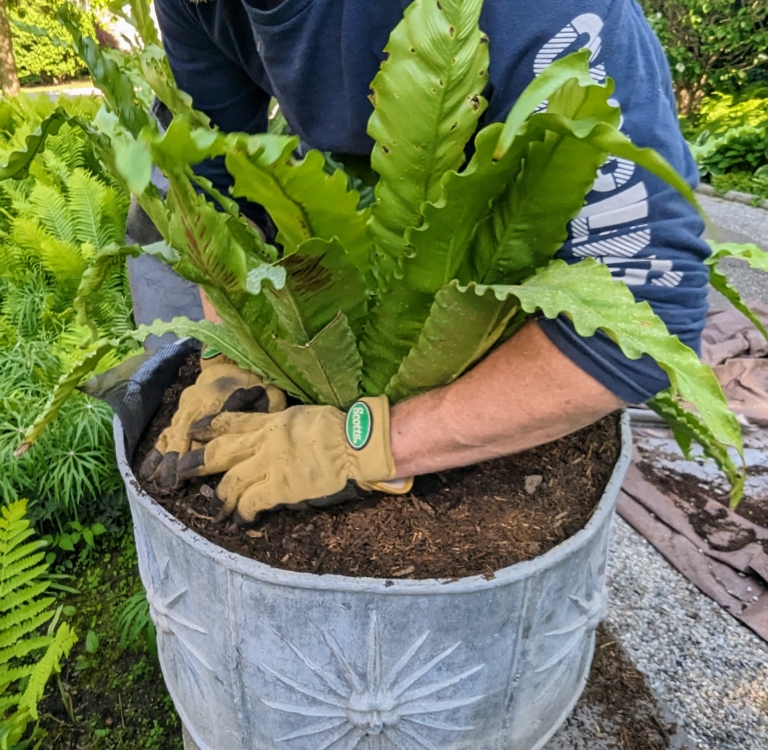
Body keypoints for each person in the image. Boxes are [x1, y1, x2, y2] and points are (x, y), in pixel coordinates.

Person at [143, 0, 710, 524]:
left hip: (486, 284)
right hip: (362, 222)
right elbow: (214, 200)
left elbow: (646, 318)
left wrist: (364, 443)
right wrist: (235, 350)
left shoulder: (536, 10)